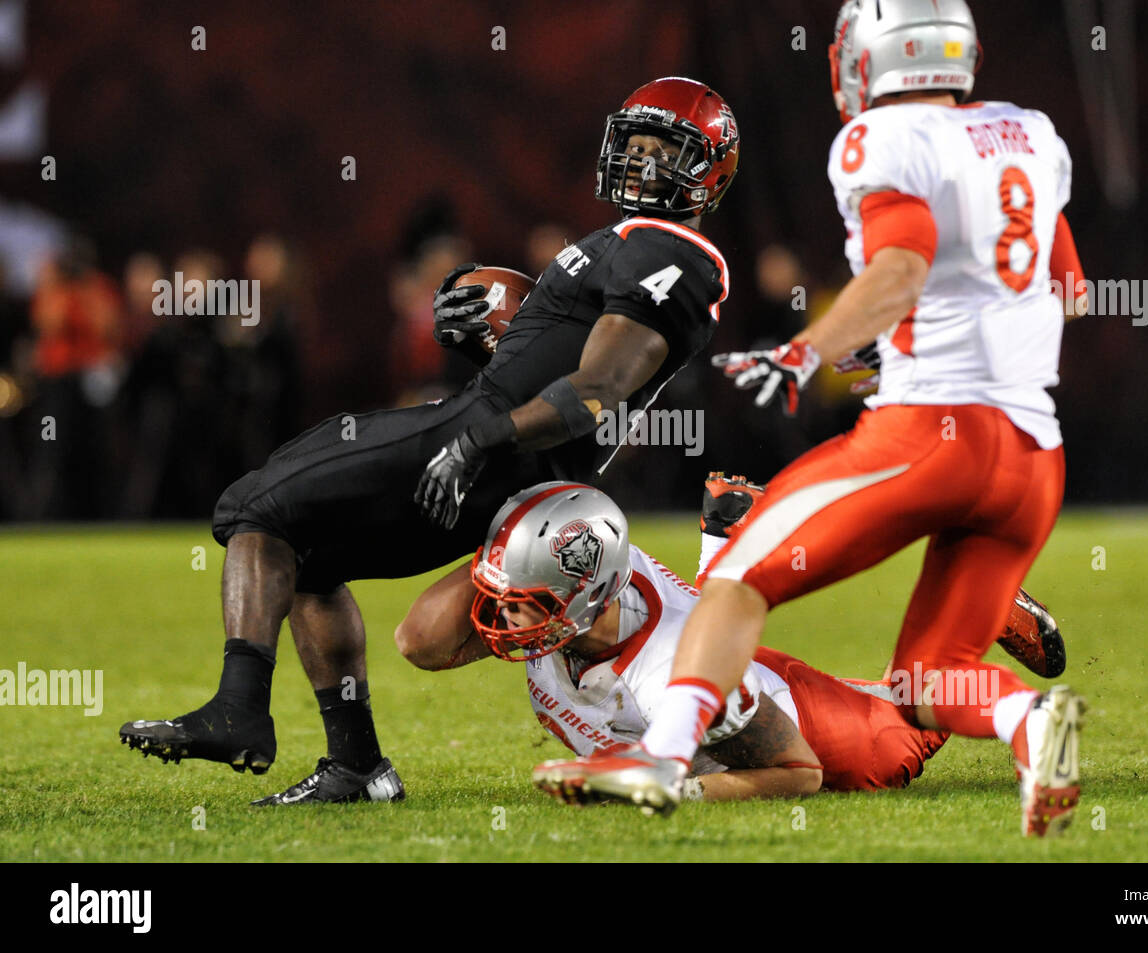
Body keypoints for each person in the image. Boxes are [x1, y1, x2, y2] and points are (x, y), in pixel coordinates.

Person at [533, 0, 1091, 837]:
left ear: (874, 56)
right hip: (1031, 455)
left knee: (735, 582)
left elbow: (899, 270)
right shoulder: (1028, 136)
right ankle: (1031, 722)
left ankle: (663, 757)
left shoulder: (880, 141)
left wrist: (808, 349)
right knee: (931, 676)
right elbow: (1064, 294)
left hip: (931, 435)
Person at [119, 77, 741, 805]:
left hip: (486, 437)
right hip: (502, 441)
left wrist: (484, 433)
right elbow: (567, 359)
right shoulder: (633, 245)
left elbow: (599, 387)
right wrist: (503, 322)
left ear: (708, 169)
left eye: (661, 148)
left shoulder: (670, 251)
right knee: (309, 560)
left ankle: (239, 710)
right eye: (632, 144)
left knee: (252, 505)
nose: (638, 161)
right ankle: (357, 766)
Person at [395, 481, 1068, 806]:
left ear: (583, 598)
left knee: (900, 733)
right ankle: (730, 544)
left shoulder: (664, 666)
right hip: (712, 660)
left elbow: (799, 772)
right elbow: (418, 640)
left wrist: (668, 790)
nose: (502, 623)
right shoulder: (580, 594)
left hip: (800, 724)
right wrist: (512, 538)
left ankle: (976, 599)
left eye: (523, 604)